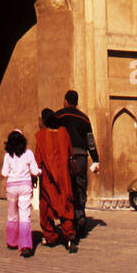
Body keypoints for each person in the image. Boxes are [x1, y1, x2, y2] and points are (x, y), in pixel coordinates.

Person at [55, 89, 100, 238]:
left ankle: (67, 221)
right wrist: (96, 159)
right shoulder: (84, 119)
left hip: (64, 156)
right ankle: (80, 217)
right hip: (80, 156)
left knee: (65, 187)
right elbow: (90, 141)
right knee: (80, 186)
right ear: (77, 102)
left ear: (66, 101)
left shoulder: (59, 116)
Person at [35, 109, 77, 252]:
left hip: (49, 180)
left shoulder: (41, 136)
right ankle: (70, 234)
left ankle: (50, 236)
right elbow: (71, 152)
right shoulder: (64, 133)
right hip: (64, 178)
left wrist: (34, 176)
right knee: (66, 205)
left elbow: (38, 160)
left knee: (46, 207)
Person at [0, 129, 39, 257]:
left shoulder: (8, 156)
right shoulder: (28, 153)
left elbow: (4, 173)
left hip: (11, 188)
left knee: (12, 215)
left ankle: (12, 242)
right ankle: (25, 245)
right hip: (25, 187)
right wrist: (40, 171)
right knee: (25, 215)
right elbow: (34, 171)